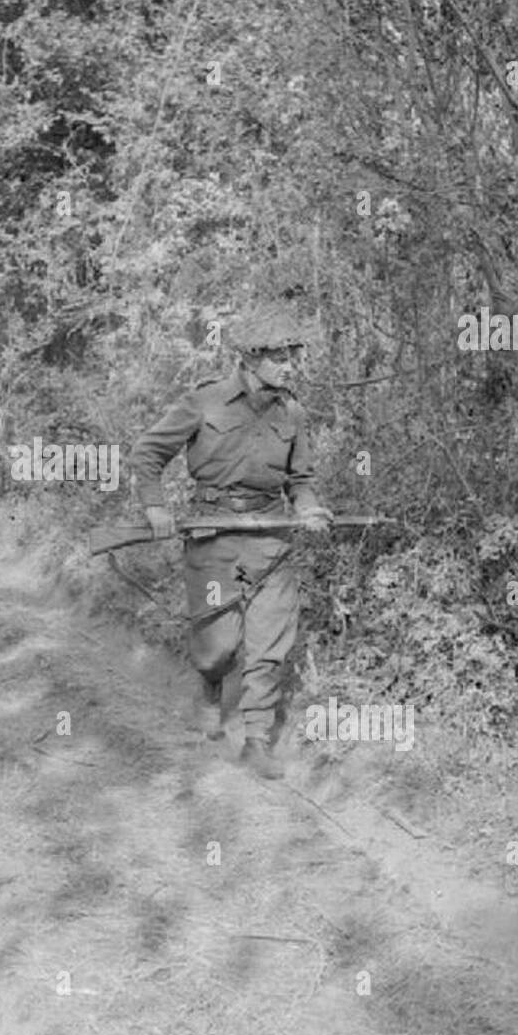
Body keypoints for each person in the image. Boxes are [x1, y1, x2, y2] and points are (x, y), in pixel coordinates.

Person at [129, 302, 334, 779]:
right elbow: (147, 452)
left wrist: (307, 507)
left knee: (270, 641)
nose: (290, 364)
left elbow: (300, 479)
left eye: (292, 354)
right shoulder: (205, 401)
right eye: (280, 356)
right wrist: (156, 507)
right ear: (250, 359)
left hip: (270, 537)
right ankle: (211, 687)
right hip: (212, 533)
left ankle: (257, 739)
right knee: (219, 645)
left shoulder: (294, 412)